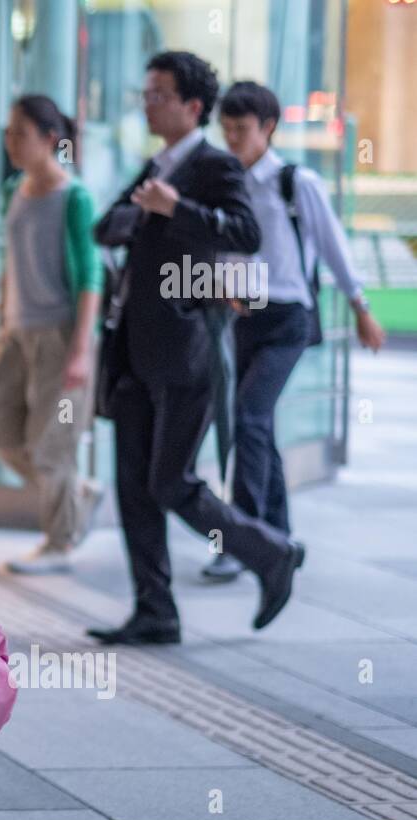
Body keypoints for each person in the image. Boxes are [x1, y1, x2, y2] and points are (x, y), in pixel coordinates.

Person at [90, 51, 304, 646]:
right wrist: (143, 214)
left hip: (189, 349)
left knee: (170, 482)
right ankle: (154, 612)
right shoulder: (153, 164)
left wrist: (174, 209)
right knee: (134, 486)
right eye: (146, 92)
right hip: (132, 349)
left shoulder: (212, 165)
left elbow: (245, 232)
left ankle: (268, 552)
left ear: (191, 106)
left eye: (159, 94)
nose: (147, 103)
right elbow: (105, 227)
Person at [201, 81, 387, 582]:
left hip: (288, 318)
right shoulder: (226, 182)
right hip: (244, 317)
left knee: (248, 417)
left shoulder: (294, 182)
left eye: (242, 129)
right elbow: (222, 246)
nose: (234, 138)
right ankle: (278, 536)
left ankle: (244, 543)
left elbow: (332, 245)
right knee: (257, 425)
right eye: (227, 129)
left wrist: (361, 307)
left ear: (268, 128)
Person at [0, 95, 105, 575]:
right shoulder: (15, 189)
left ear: (50, 140)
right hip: (17, 334)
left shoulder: (73, 197)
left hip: (61, 337)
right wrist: (2, 326)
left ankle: (59, 544)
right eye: (9, 131)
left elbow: (89, 278)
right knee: (3, 437)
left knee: (50, 445)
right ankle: (78, 494)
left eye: (21, 132)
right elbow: (11, 266)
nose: (11, 141)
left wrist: (80, 350)